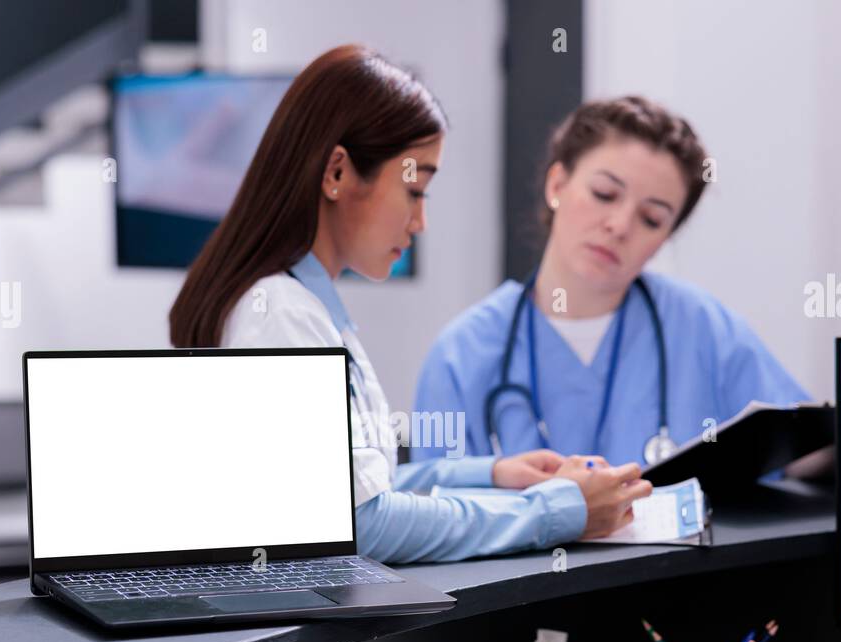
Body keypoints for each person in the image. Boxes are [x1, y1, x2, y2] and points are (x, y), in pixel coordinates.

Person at [169, 45, 651, 565]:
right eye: (415, 189)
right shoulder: (280, 314)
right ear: (336, 173)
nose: (419, 222)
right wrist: (554, 511)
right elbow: (359, 525)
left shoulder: (307, 306)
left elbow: (364, 483)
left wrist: (491, 476)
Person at [413, 95, 809, 466]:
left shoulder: (704, 329)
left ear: (664, 238)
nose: (620, 226)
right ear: (557, 186)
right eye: (604, 194)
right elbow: (432, 509)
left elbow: (806, 450)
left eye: (651, 219)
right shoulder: (462, 355)